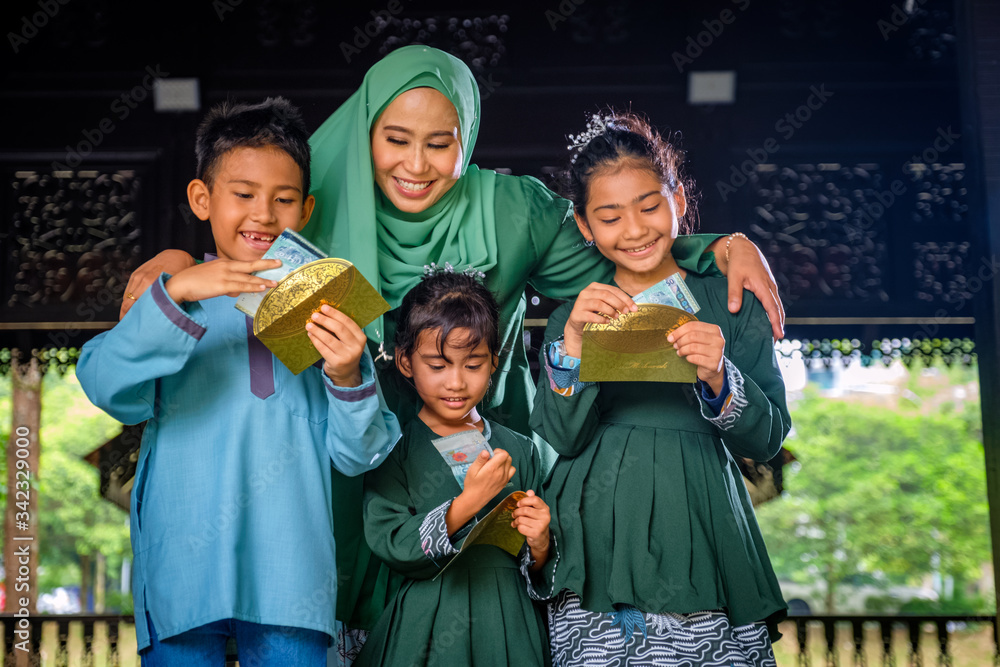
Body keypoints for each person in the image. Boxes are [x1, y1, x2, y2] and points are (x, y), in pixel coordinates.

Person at [117, 46, 785, 631]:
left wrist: (719, 244)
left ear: (468, 139)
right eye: (395, 138)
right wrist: (176, 260)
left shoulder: (514, 210)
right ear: (365, 132)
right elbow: (246, 236)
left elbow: (625, 250)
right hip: (360, 457)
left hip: (486, 455)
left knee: (487, 621)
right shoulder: (316, 198)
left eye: (440, 143)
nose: (416, 164)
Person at [76, 97, 401, 665]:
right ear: (202, 199)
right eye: (243, 194)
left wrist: (349, 372)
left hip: (291, 579)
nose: (263, 214)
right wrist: (175, 291)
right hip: (182, 569)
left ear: (307, 209)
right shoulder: (175, 294)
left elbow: (359, 454)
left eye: (284, 199)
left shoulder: (325, 315)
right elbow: (107, 387)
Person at [530, 112, 789, 666]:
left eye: (649, 206)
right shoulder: (573, 315)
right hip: (592, 522)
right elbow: (560, 437)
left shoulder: (731, 298)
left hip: (698, 511)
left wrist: (721, 377)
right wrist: (574, 340)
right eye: (609, 216)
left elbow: (767, 438)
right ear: (584, 226)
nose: (635, 229)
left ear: (678, 199)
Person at [355, 269, 556, 666]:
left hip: (508, 623)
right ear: (406, 363)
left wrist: (541, 543)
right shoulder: (390, 449)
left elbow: (539, 565)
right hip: (426, 622)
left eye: (473, 364)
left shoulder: (520, 448)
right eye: (438, 365)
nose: (456, 382)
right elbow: (392, 543)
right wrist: (468, 502)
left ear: (494, 362)